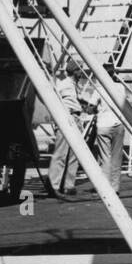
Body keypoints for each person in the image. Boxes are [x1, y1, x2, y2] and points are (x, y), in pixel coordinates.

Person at [47, 59, 86, 197]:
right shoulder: (64, 85)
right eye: (80, 69)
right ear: (74, 71)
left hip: (76, 119)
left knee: (75, 154)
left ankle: (69, 184)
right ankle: (54, 185)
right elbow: (55, 100)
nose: (81, 72)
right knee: (61, 153)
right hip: (67, 118)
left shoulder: (75, 86)